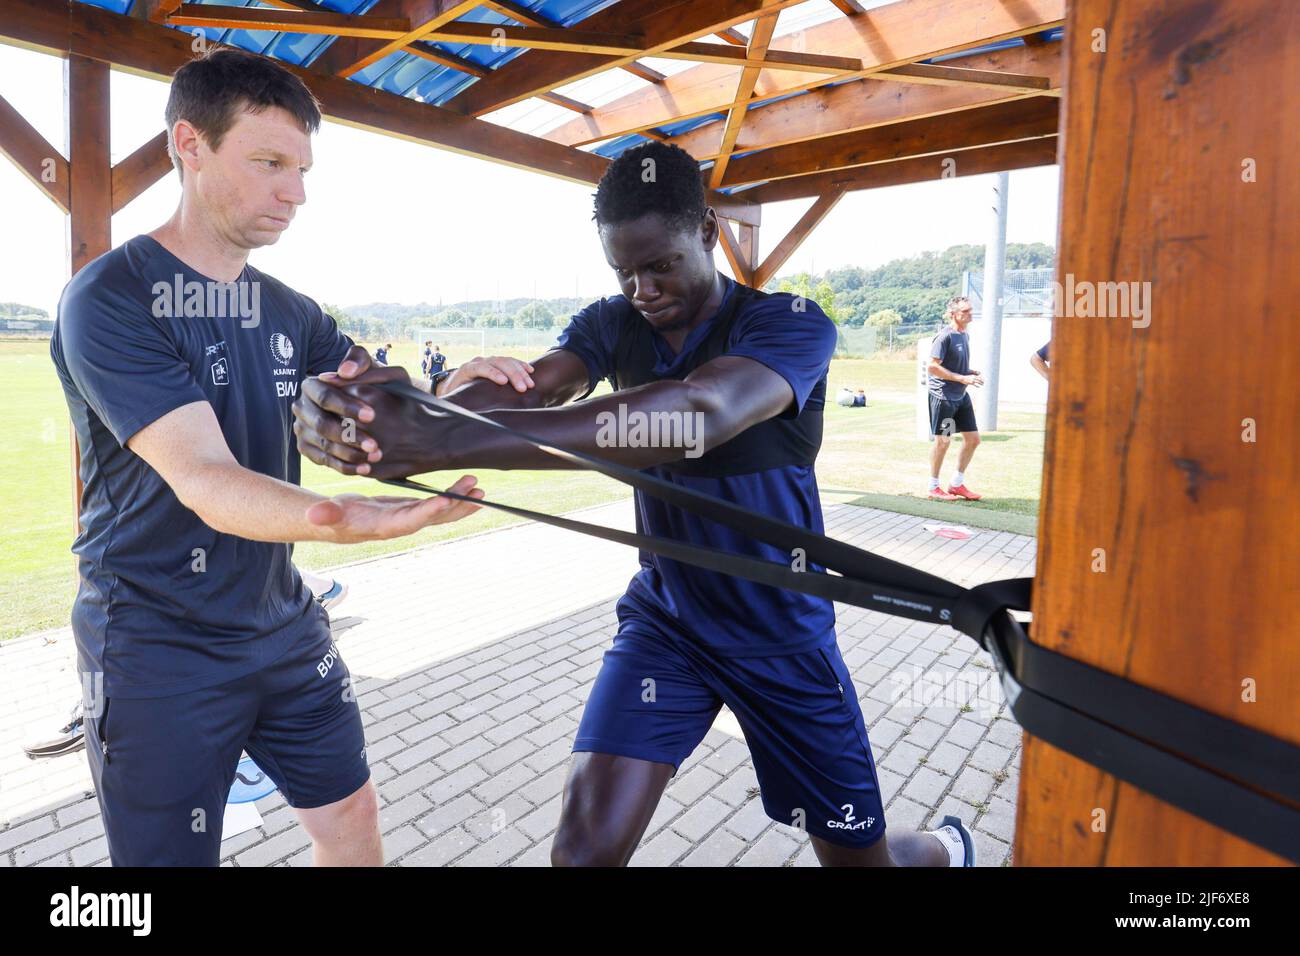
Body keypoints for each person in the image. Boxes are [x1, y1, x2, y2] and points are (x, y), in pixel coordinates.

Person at [292, 140, 977, 868]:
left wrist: (444, 438)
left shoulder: (790, 323)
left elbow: (697, 413)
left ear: (708, 232)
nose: (643, 290)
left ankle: (941, 849)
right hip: (668, 625)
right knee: (582, 857)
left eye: (661, 265)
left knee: (859, 865)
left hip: (780, 634)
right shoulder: (614, 322)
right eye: (625, 272)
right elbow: (539, 383)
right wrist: (411, 408)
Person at [49, 47, 529, 866]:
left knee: (350, 823)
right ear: (188, 145)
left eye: (302, 169)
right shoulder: (110, 298)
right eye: (268, 162)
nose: (295, 194)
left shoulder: (289, 309)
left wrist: (452, 394)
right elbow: (204, 480)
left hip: (282, 622)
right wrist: (349, 518)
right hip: (155, 641)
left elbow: (369, 394)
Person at [926, 296, 984, 502]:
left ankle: (956, 484)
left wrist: (969, 372)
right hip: (945, 398)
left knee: (973, 440)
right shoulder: (944, 337)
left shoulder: (964, 335)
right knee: (944, 441)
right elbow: (932, 367)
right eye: (965, 311)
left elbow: (952, 365)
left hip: (960, 396)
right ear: (953, 314)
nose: (970, 313)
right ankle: (933, 487)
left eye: (970, 310)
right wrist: (962, 377)